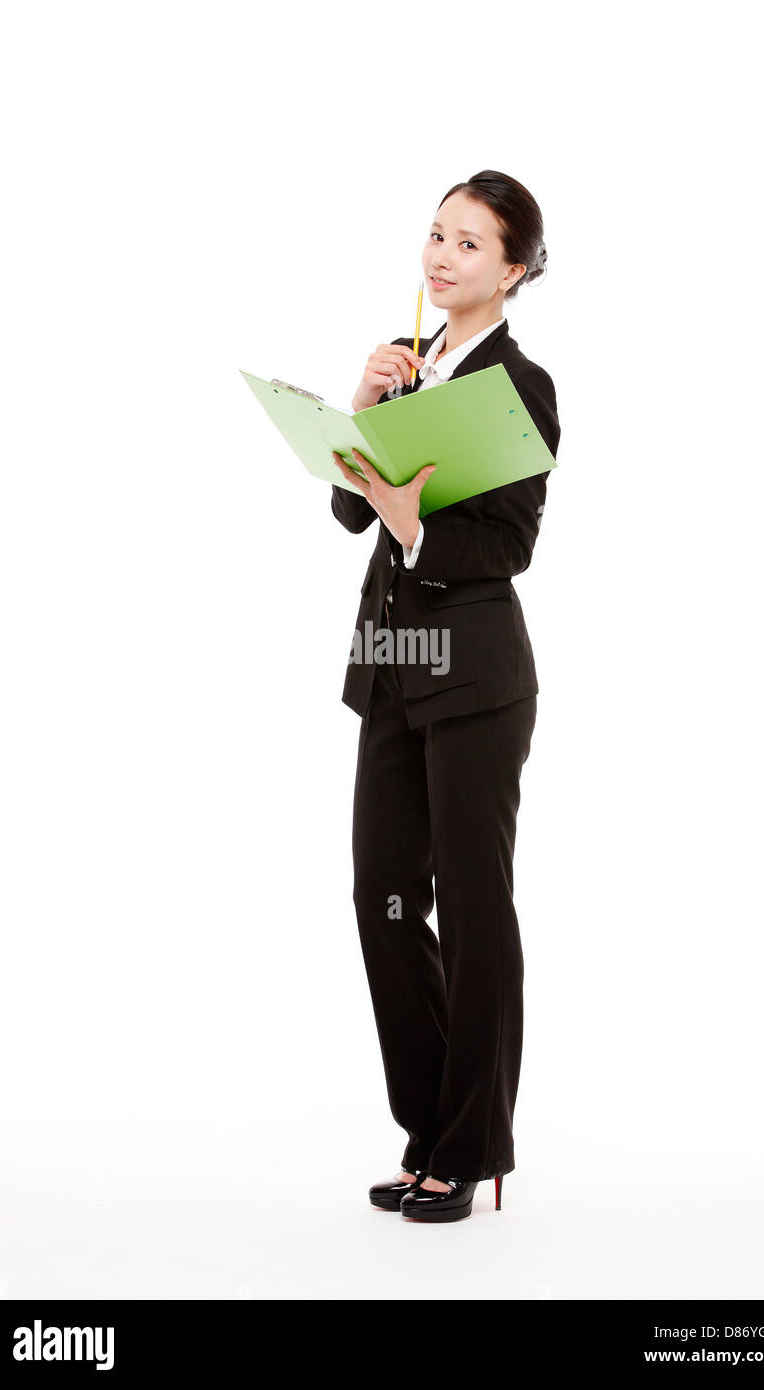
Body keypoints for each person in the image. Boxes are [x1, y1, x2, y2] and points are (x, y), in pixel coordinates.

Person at [330, 170, 561, 1224]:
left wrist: (414, 523)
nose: (441, 256)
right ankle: (427, 1128)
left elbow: (505, 543)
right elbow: (349, 510)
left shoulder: (518, 386)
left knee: (471, 911)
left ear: (512, 269)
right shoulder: (406, 363)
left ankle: (469, 1148)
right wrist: (363, 409)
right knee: (383, 897)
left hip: (472, 680)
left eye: (469, 244)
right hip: (392, 664)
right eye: (435, 235)